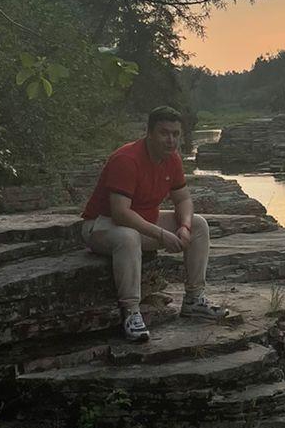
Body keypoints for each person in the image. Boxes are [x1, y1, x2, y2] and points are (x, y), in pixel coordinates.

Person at [81, 106, 229, 342]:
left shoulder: (172, 160)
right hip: (101, 226)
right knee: (127, 237)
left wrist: (184, 227)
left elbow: (183, 198)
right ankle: (131, 311)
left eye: (176, 134)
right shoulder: (127, 160)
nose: (171, 140)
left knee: (199, 225)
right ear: (149, 133)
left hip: (141, 223)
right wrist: (161, 235)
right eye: (164, 133)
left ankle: (193, 300)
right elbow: (120, 214)